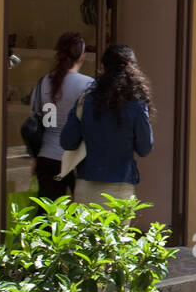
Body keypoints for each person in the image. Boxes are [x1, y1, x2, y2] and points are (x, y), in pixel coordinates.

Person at [60, 44, 154, 205]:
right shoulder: (136, 104)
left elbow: (67, 141)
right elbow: (145, 148)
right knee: (117, 231)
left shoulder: (86, 100)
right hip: (120, 185)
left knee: (86, 230)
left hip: (86, 184)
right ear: (131, 67)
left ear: (103, 67)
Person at [30, 32, 93, 201]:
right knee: (80, 215)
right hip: (76, 158)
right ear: (82, 57)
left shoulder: (43, 82)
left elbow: (36, 117)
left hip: (47, 156)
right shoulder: (88, 84)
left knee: (47, 217)